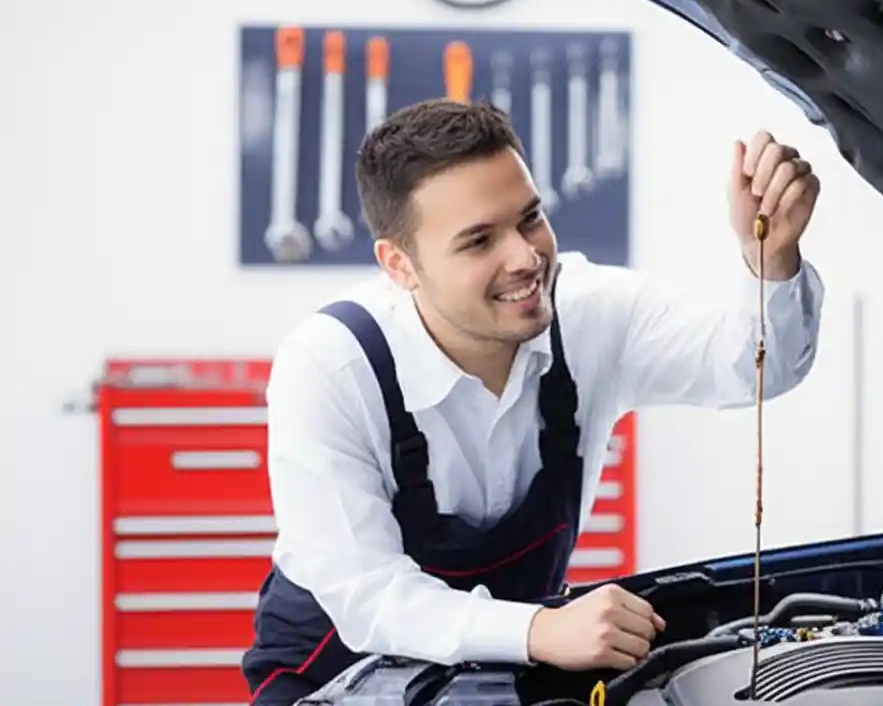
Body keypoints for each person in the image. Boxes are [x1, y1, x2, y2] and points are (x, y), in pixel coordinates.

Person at [240, 98, 825, 704]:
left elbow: (758, 366)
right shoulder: (332, 365)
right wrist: (540, 628)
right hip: (333, 674)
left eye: (529, 218)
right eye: (478, 241)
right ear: (400, 265)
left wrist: (771, 259)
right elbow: (368, 597)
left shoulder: (591, 315)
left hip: (497, 676)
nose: (525, 257)